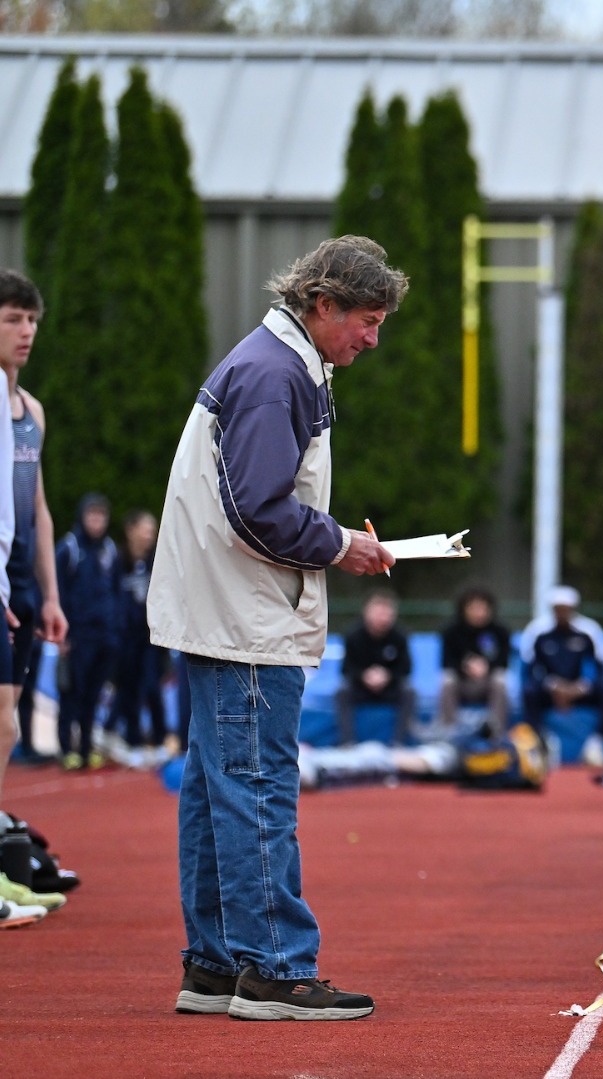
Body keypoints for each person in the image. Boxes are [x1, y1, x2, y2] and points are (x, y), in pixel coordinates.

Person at [150, 236, 401, 1020]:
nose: (372, 338)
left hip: (228, 611)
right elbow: (257, 507)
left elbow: (251, 501)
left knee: (216, 789)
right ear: (321, 304)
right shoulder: (274, 374)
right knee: (256, 787)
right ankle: (274, 967)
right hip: (246, 617)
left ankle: (217, 962)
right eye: (366, 320)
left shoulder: (274, 362)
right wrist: (340, 542)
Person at [0, 270, 65, 927]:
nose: (26, 332)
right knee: (2, 722)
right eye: (13, 319)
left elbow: (39, 508)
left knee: (9, 724)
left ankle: (4, 859)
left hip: (20, 581)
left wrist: (50, 593)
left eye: (32, 321)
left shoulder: (32, 412)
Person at [54, 493, 119, 770]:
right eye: (92, 516)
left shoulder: (110, 550)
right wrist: (63, 635)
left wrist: (114, 631)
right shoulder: (68, 548)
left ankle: (86, 746)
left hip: (104, 636)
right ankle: (67, 748)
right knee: (72, 693)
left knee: (94, 695)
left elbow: (115, 591)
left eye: (101, 516)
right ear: (82, 516)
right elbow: (57, 591)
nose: (97, 522)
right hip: (77, 636)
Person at [520, 585, 603, 759]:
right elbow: (530, 669)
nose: (562, 613)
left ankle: (597, 743)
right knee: (529, 691)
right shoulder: (537, 631)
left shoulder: (589, 630)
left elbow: (600, 667)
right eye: (558, 609)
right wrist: (553, 686)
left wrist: (581, 687)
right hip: (550, 690)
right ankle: (542, 740)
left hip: (580, 689)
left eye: (566, 609)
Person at [110, 510, 171, 758]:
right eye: (146, 529)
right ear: (131, 530)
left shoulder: (158, 560)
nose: (150, 535)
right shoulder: (117, 561)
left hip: (151, 637)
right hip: (125, 637)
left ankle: (160, 739)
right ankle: (132, 740)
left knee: (152, 686)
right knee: (128, 688)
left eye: (152, 530)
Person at [335, 591, 414, 745]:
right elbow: (346, 668)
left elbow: (406, 668)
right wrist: (364, 676)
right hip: (361, 688)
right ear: (367, 612)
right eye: (378, 613)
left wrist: (387, 676)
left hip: (389, 688)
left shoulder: (400, 636)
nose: (382, 618)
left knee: (409, 692)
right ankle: (347, 742)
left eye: (387, 613)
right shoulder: (353, 635)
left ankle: (399, 742)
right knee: (342, 692)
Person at [434, 585, 511, 738]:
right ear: (464, 609)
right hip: (461, 681)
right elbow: (446, 662)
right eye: (474, 608)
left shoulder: (500, 631)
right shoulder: (451, 631)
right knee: (447, 680)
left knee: (500, 680)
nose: (479, 613)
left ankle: (497, 732)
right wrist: (466, 667)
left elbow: (504, 661)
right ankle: (449, 732)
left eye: (483, 608)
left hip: (487, 682)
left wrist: (486, 667)